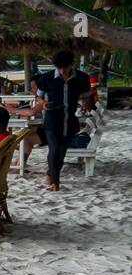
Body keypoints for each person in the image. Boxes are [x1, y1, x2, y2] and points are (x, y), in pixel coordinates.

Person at [37, 50, 93, 191]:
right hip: (52, 119)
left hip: (70, 121)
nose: (62, 71)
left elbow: (87, 97)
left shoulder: (82, 78)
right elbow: (39, 97)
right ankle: (55, 183)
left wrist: (86, 103)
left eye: (65, 67)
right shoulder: (46, 78)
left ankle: (50, 173)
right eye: (58, 68)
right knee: (54, 148)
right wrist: (42, 103)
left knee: (61, 150)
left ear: (71, 65)